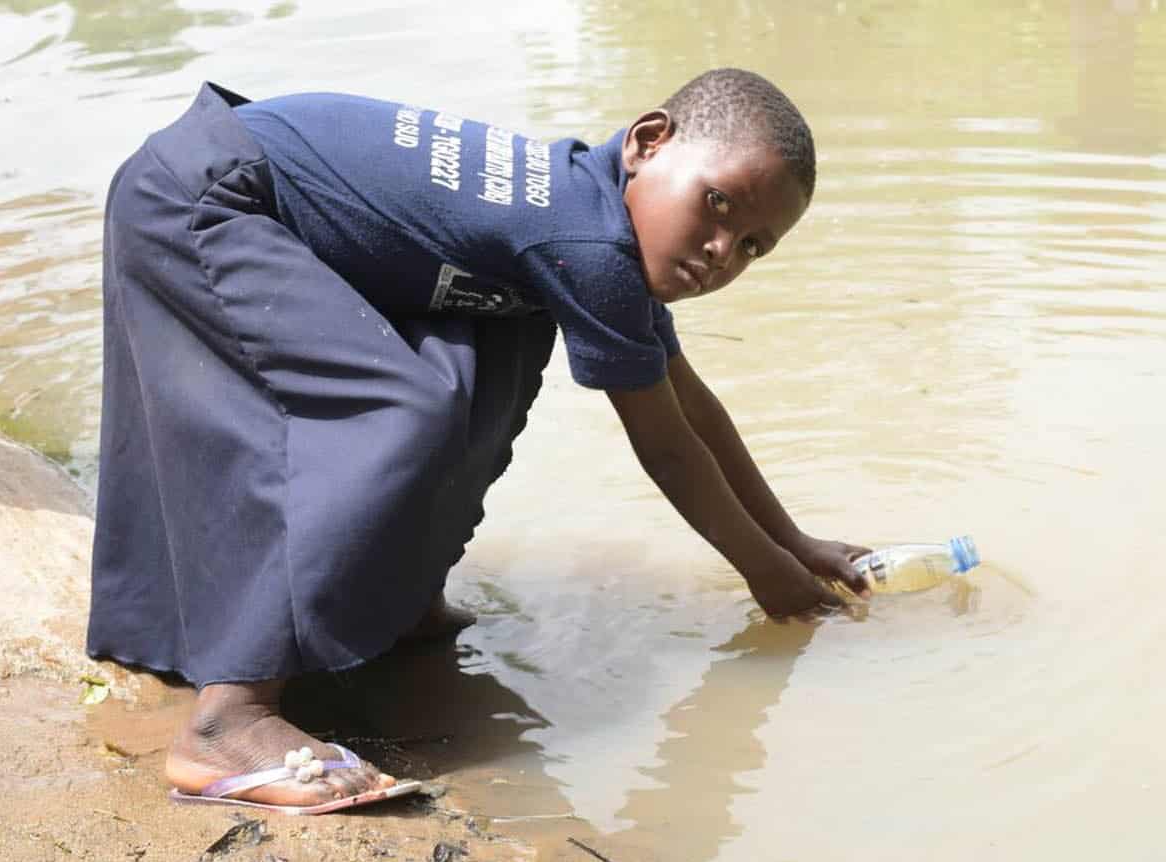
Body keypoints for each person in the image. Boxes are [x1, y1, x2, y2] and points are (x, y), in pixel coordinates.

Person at [88, 68, 869, 814]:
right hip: (205, 197)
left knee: (493, 355)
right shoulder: (586, 246)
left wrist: (796, 541)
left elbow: (692, 405)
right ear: (648, 142)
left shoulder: (591, 227)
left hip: (251, 191)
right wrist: (770, 576)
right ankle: (227, 723)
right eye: (719, 205)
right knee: (399, 411)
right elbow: (667, 447)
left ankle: (388, 605)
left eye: (755, 246)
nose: (722, 252)